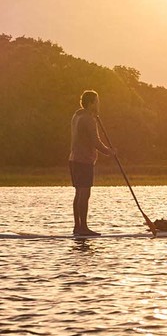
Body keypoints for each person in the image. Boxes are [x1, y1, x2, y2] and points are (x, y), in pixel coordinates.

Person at [69, 90, 113, 236]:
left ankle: (78, 227)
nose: (99, 104)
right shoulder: (88, 119)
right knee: (84, 193)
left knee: (79, 193)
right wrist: (109, 152)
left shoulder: (77, 115)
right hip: (83, 160)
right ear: (90, 103)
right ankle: (83, 228)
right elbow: (96, 142)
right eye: (97, 101)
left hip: (74, 159)